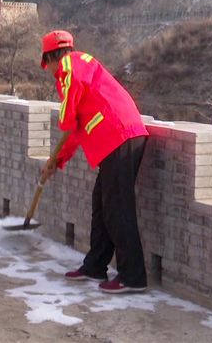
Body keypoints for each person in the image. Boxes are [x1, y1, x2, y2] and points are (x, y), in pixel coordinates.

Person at [39, 30, 150, 294]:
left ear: (51, 57)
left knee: (118, 209)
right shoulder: (79, 67)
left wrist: (65, 117)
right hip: (115, 138)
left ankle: (133, 276)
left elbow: (68, 121)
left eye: (48, 65)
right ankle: (95, 265)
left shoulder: (71, 66)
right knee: (102, 206)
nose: (50, 71)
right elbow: (76, 131)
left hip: (119, 136)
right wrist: (59, 159)